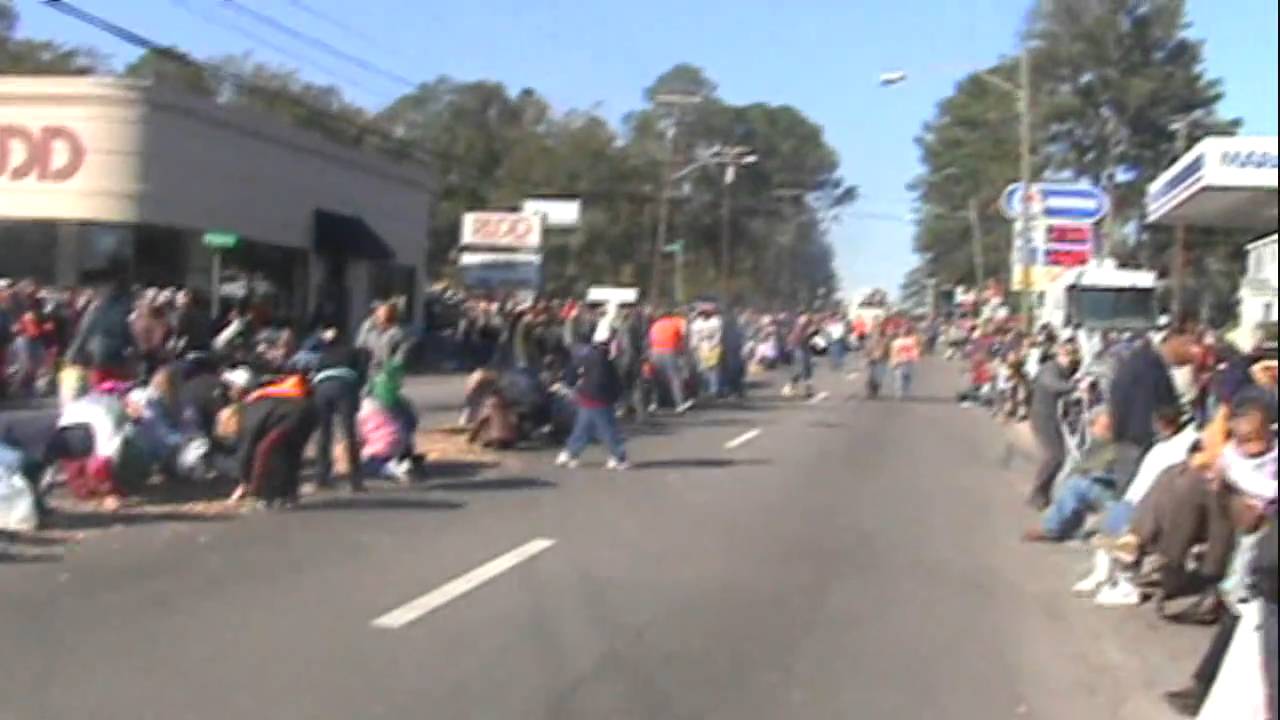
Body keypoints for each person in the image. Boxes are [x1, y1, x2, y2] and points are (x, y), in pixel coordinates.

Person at [1107, 318, 1199, 493]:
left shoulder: (1145, 360)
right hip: (1139, 444)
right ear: (1174, 340)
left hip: (1132, 440)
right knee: (1133, 498)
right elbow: (1154, 409)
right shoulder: (1147, 368)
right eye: (1189, 345)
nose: (1193, 353)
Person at [1022, 407, 1117, 542]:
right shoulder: (1099, 446)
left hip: (1118, 497)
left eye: (1098, 427)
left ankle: (1053, 528)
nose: (1093, 431)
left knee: (1077, 485)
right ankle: (1062, 527)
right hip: (1108, 488)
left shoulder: (1120, 447)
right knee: (1073, 483)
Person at [229, 374, 316, 507]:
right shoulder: (270, 396)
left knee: (264, 451)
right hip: (309, 412)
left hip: (292, 416)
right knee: (289, 453)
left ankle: (263, 495)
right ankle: (288, 493)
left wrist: (244, 480)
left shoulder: (252, 406)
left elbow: (248, 446)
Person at [556, 322, 629, 470]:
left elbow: (574, 370)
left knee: (583, 428)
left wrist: (568, 384)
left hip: (587, 396)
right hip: (599, 398)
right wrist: (617, 396)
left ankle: (569, 453)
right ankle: (618, 456)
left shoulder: (589, 354)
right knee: (608, 429)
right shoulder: (604, 358)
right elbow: (611, 380)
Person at [310, 326, 366, 493]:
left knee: (324, 433)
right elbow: (361, 376)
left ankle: (321, 478)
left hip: (322, 388)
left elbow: (314, 375)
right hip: (345, 386)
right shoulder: (355, 352)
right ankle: (355, 480)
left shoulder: (323, 355)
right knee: (349, 433)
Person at [1027, 342, 1078, 510]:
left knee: (1059, 457)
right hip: (1043, 416)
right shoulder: (1050, 369)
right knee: (1053, 456)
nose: (1070, 359)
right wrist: (1074, 386)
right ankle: (1037, 493)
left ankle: (1043, 493)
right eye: (1067, 355)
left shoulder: (1063, 370)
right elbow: (1053, 385)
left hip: (1052, 416)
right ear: (1059, 355)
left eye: (1072, 355)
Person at [65, 272, 135, 386]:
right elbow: (84, 332)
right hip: (111, 357)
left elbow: (84, 332)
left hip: (105, 356)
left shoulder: (98, 309)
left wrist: (71, 355)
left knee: (102, 390)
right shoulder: (122, 308)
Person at [648, 308, 692, 413]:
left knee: (657, 378)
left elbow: (650, 339)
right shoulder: (674, 323)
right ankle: (679, 404)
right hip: (669, 351)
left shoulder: (655, 325)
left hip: (654, 352)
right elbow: (682, 339)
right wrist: (683, 352)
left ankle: (655, 403)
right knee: (674, 378)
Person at [690, 306, 724, 399]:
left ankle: (714, 390)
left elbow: (718, 335)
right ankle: (707, 389)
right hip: (702, 347)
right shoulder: (696, 324)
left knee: (713, 369)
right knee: (703, 370)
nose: (704, 315)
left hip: (713, 347)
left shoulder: (715, 321)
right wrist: (694, 346)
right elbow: (695, 337)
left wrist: (714, 344)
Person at [888, 326, 921, 400]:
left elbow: (893, 352)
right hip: (904, 362)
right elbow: (893, 352)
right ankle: (902, 393)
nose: (903, 333)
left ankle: (901, 393)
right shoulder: (910, 341)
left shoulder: (898, 341)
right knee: (904, 378)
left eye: (904, 331)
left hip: (904, 361)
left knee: (902, 378)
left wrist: (892, 361)